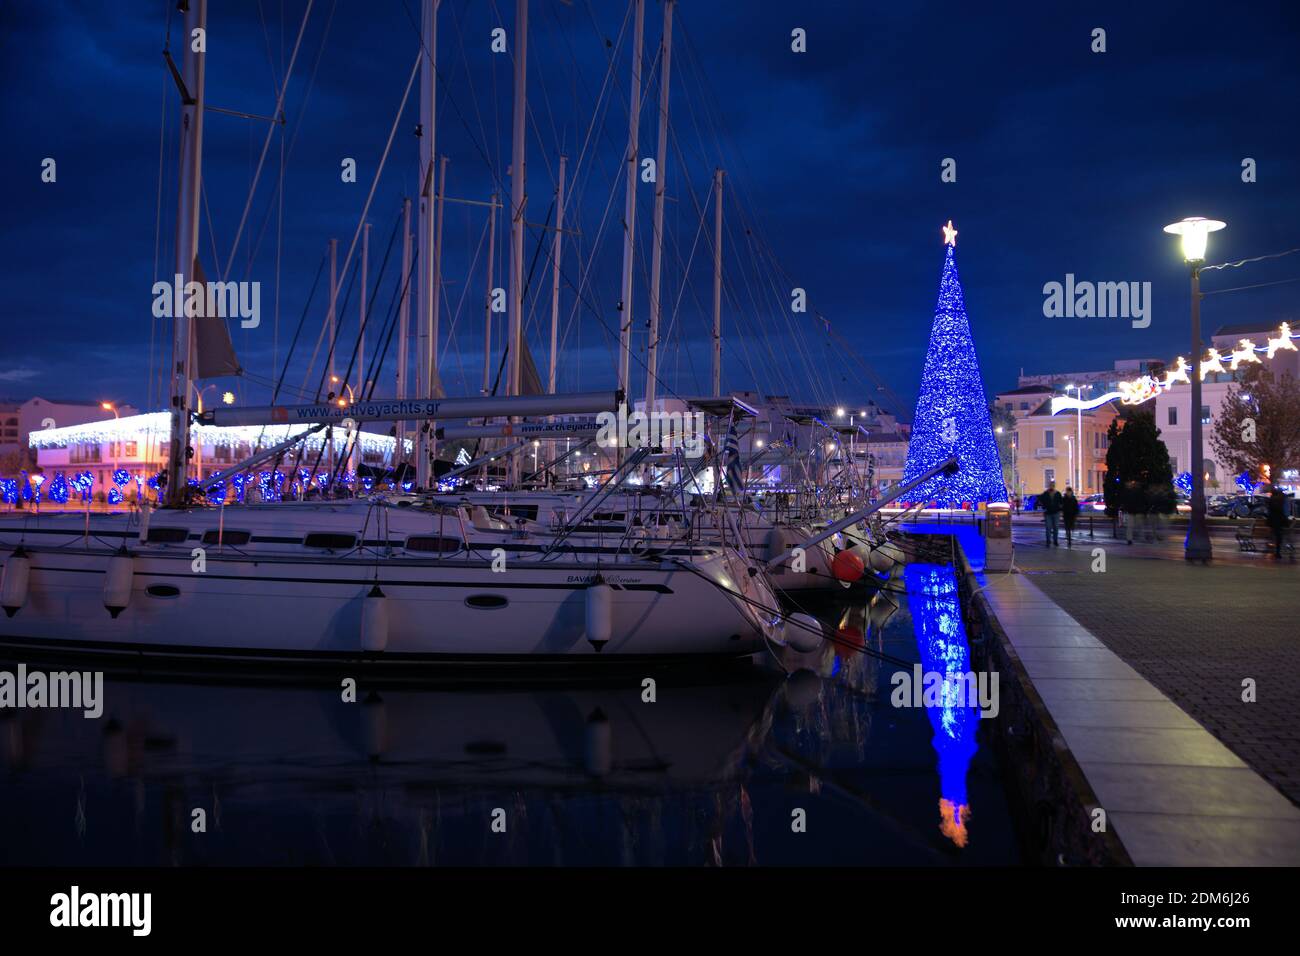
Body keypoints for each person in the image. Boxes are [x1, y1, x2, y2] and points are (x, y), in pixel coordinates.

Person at [1266, 484, 1290, 559]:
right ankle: (1278, 551)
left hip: (1272, 520)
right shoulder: (1284, 498)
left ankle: (1274, 549)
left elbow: (1268, 510)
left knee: (1274, 534)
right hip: (1281, 519)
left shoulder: (1271, 498)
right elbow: (1286, 511)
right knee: (1280, 535)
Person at [1040, 481, 1062, 547]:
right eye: (1050, 485)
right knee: (1048, 527)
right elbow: (1041, 500)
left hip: (1056, 513)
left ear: (1054, 486)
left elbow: (1061, 502)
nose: (1051, 486)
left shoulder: (1058, 493)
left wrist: (1060, 508)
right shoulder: (1045, 493)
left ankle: (1055, 541)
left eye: (1053, 485)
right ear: (1049, 486)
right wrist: (1044, 506)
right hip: (1048, 513)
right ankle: (1048, 541)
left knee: (1056, 527)